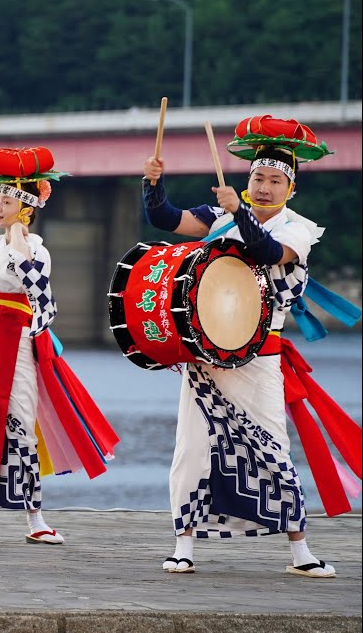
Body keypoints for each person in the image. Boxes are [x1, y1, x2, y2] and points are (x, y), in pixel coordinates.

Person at [142, 114, 360, 578]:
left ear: (290, 188)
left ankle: (300, 551)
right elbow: (165, 219)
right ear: (247, 180)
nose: (263, 187)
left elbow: (266, 251)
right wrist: (153, 185)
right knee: (193, 450)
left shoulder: (298, 229)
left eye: (274, 181)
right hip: (207, 357)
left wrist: (237, 215)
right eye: (257, 178)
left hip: (259, 358)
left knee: (273, 448)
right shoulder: (219, 218)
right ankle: (183, 545)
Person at [0, 147, 118, 544]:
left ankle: (35, 517)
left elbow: (33, 282)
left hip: (14, 344)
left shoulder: (38, 250)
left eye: (8, 200)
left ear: (27, 207)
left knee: (20, 423)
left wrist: (18, 236)